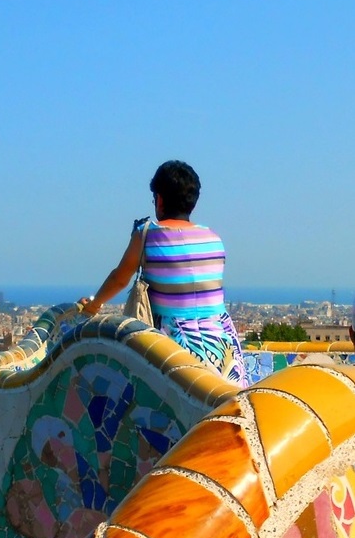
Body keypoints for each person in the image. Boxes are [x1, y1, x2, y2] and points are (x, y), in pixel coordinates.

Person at [79, 160, 247, 387]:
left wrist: (94, 304)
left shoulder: (147, 234)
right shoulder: (213, 238)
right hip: (225, 348)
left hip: (175, 346)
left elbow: (120, 278)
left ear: (159, 199)